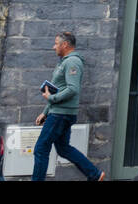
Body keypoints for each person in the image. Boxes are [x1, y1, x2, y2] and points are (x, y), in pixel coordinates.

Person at [32, 31, 103, 181]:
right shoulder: (64, 62)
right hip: (58, 112)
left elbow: (72, 89)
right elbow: (58, 87)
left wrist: (52, 98)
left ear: (65, 45)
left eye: (56, 43)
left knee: (41, 149)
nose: (54, 47)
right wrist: (45, 112)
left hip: (61, 114)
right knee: (63, 149)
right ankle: (94, 174)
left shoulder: (72, 62)